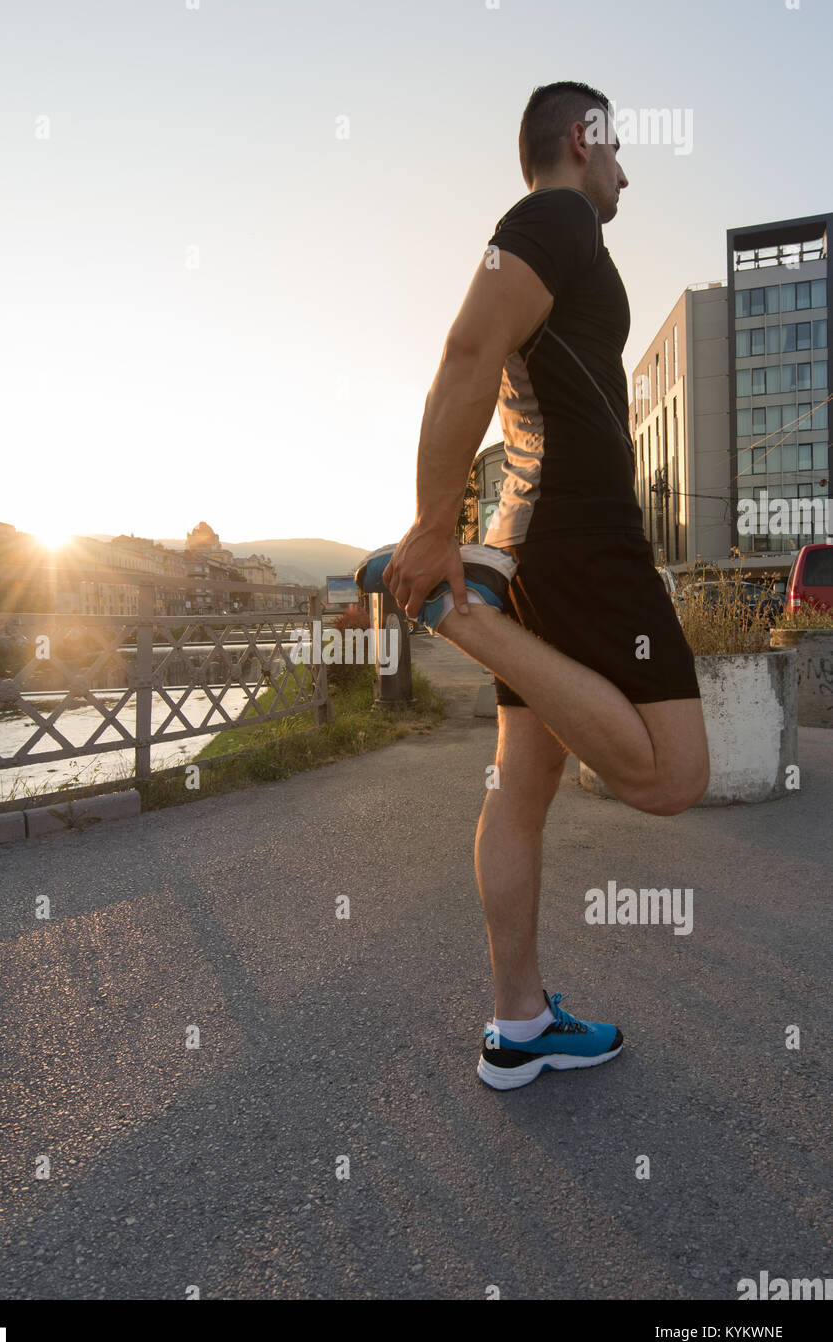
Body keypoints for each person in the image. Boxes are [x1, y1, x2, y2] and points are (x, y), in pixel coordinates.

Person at [356, 81, 709, 1091]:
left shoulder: (557, 230)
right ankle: (457, 610)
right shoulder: (551, 216)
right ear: (580, 138)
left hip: (535, 531)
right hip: (577, 538)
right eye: (617, 150)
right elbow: (467, 350)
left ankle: (518, 1024)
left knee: (521, 786)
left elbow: (493, 362)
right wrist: (433, 526)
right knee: (672, 773)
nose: (626, 173)